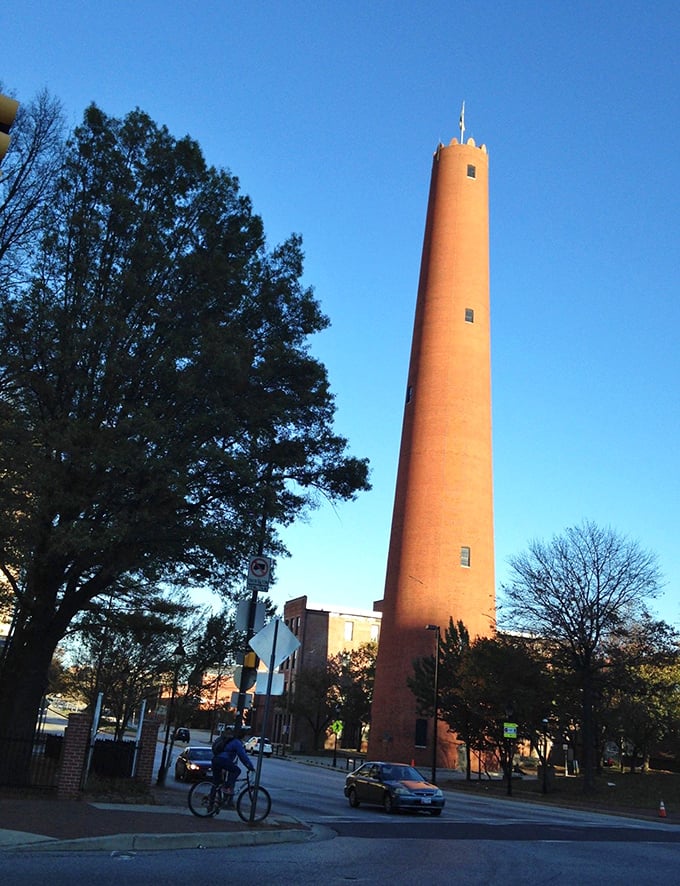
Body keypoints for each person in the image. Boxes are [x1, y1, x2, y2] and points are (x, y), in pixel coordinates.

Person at [211, 726, 254, 805]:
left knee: (216, 783)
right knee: (237, 770)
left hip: (215, 760)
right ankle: (227, 787)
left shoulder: (228, 740)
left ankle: (210, 804)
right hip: (223, 760)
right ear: (243, 736)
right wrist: (250, 767)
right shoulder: (237, 743)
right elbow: (243, 756)